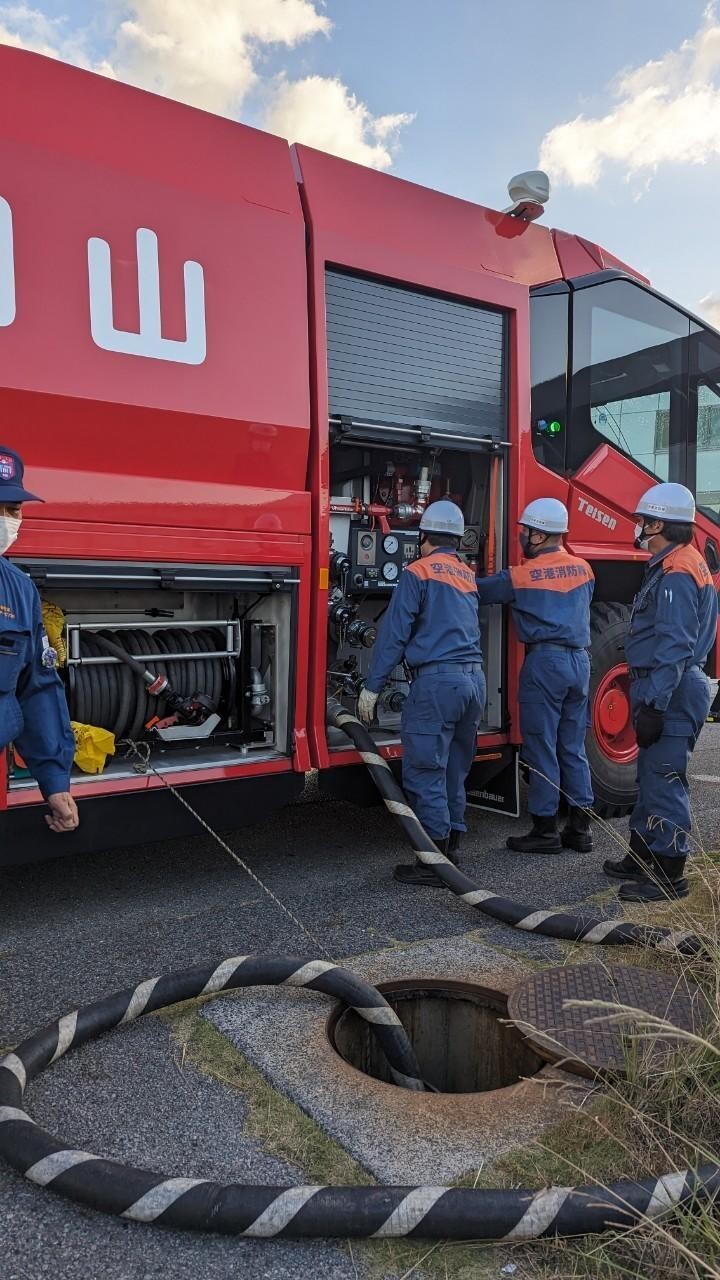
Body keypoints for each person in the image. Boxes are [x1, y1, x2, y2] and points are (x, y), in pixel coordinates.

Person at [358, 501, 485, 885]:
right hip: (473, 682)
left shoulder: (417, 572)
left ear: (423, 536)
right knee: (454, 767)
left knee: (426, 769)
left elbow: (395, 634)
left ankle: (434, 862)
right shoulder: (466, 573)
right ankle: (454, 845)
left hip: (438, 683)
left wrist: (372, 686)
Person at [603, 482, 717, 902]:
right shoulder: (684, 562)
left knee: (665, 777)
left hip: (669, 685)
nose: (640, 528)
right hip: (668, 682)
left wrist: (654, 703)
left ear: (662, 524)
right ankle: (642, 853)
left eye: (645, 522)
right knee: (651, 774)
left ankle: (670, 874)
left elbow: (675, 644)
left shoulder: (677, 572)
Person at [475, 498, 595, 854]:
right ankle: (580, 829)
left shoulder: (521, 575)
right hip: (579, 662)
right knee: (572, 747)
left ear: (540, 535)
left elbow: (478, 592)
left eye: (525, 531)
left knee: (541, 747)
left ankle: (544, 830)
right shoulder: (585, 569)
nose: (522, 537)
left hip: (546, 664)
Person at [0, 446, 78, 833]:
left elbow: (37, 687)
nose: (5, 519)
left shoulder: (19, 590)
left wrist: (54, 782)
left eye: (13, 509)